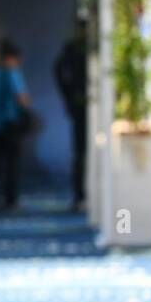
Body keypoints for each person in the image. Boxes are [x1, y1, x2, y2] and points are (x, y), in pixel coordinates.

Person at [0, 38, 31, 211]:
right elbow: (22, 98)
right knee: (12, 164)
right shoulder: (13, 73)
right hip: (10, 124)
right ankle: (10, 199)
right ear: (11, 58)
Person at [53, 19, 88, 210]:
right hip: (80, 107)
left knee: (84, 151)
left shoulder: (87, 48)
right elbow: (60, 73)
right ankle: (80, 195)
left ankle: (84, 195)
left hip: (83, 106)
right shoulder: (73, 50)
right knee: (81, 151)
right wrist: (69, 97)